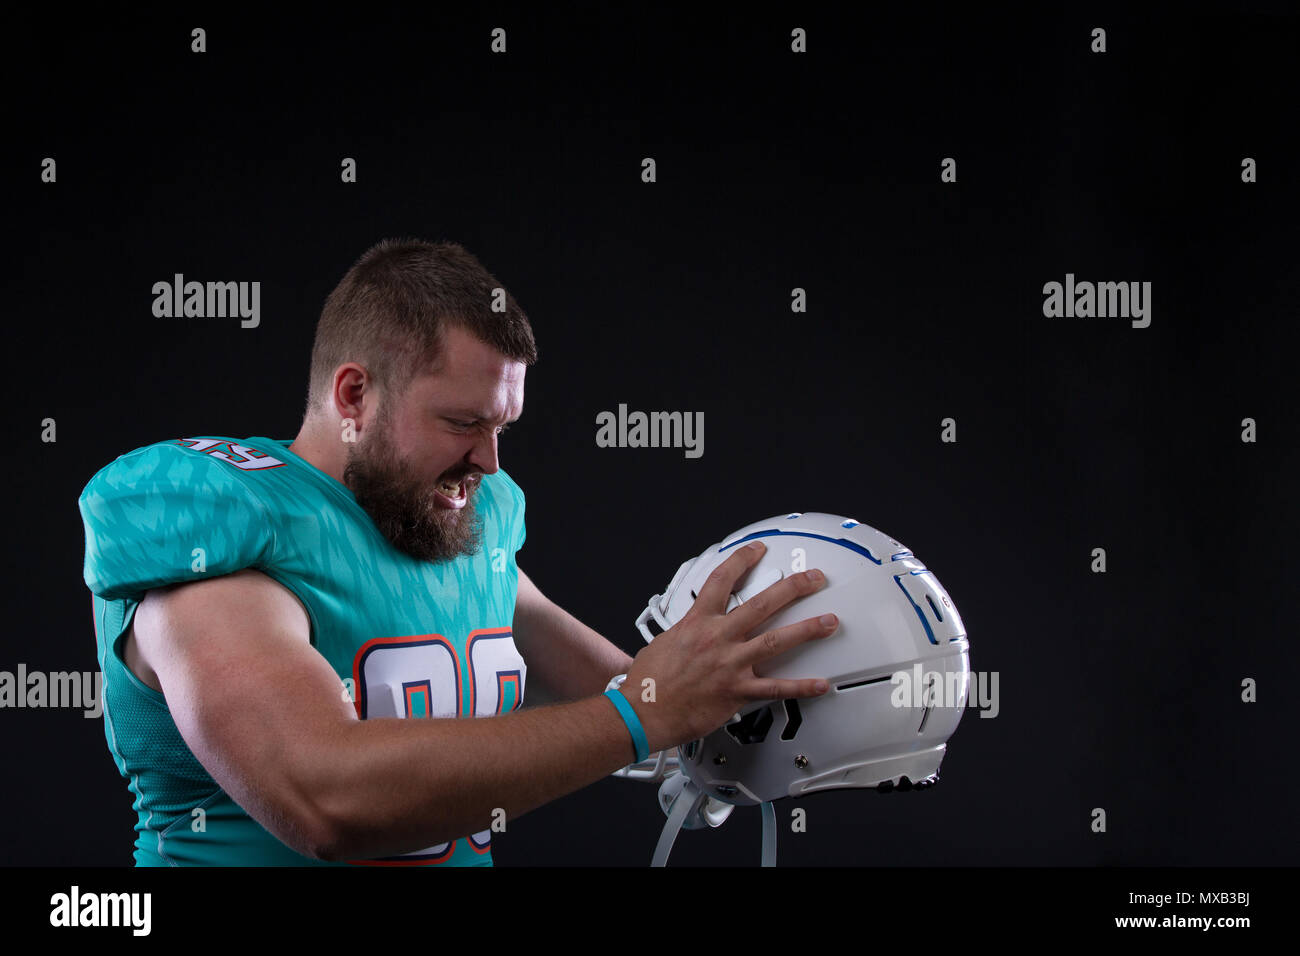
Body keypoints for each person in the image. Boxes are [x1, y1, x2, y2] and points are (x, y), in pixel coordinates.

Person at [78, 237, 835, 866]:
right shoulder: (222, 538)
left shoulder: (454, 519)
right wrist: (643, 715)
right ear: (352, 397)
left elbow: (611, 682)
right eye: (463, 422)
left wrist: (748, 713)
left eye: (503, 425)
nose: (491, 462)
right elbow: (326, 800)